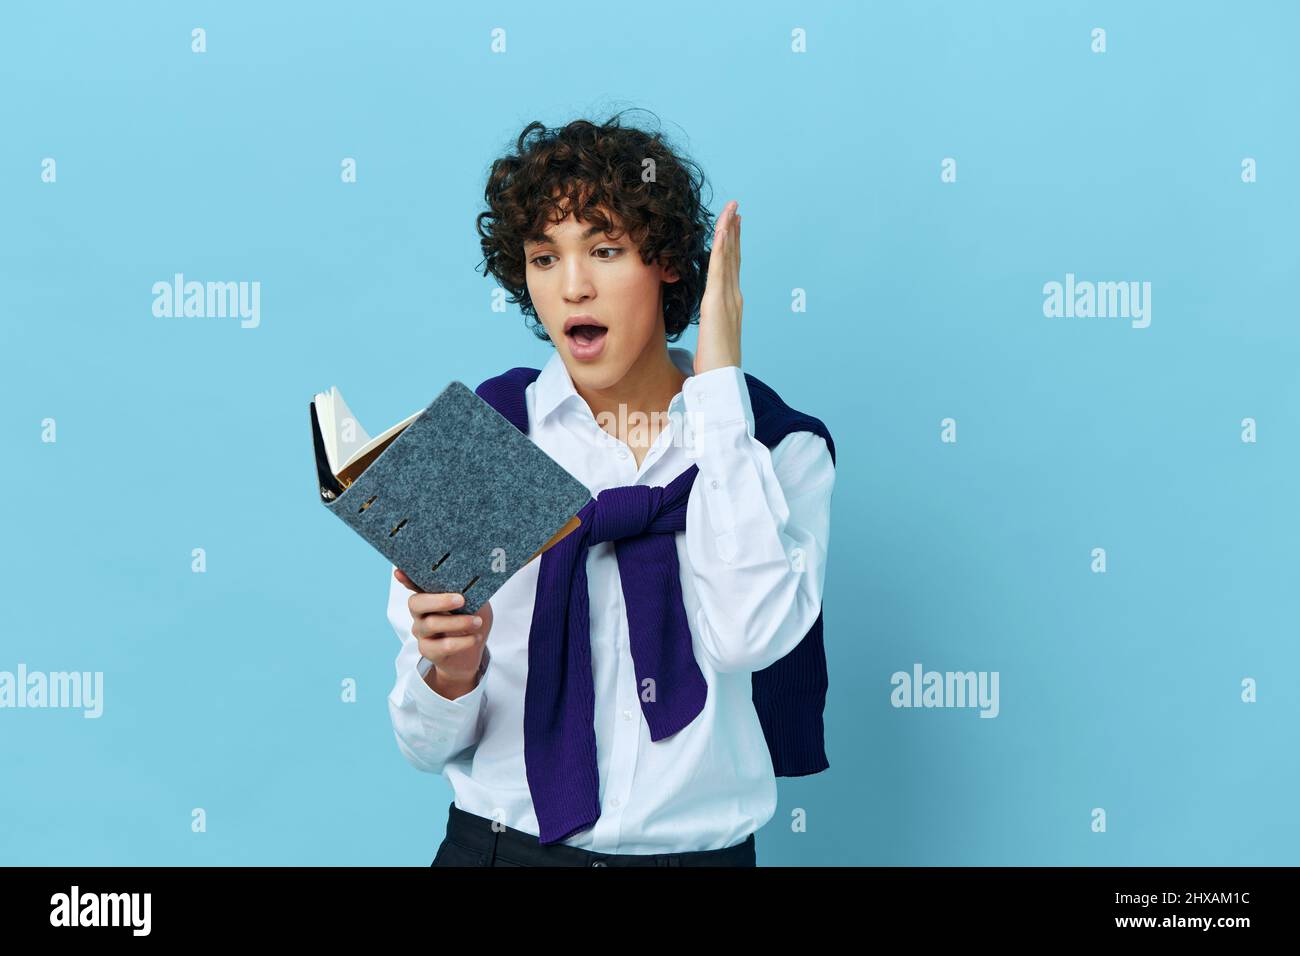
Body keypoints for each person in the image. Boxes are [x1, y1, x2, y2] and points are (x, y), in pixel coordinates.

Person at [386, 112, 836, 867]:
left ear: (665, 262)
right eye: (543, 257)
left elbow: (749, 638)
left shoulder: (776, 445)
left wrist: (720, 388)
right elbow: (422, 747)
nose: (572, 288)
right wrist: (451, 673)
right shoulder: (484, 437)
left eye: (605, 249)